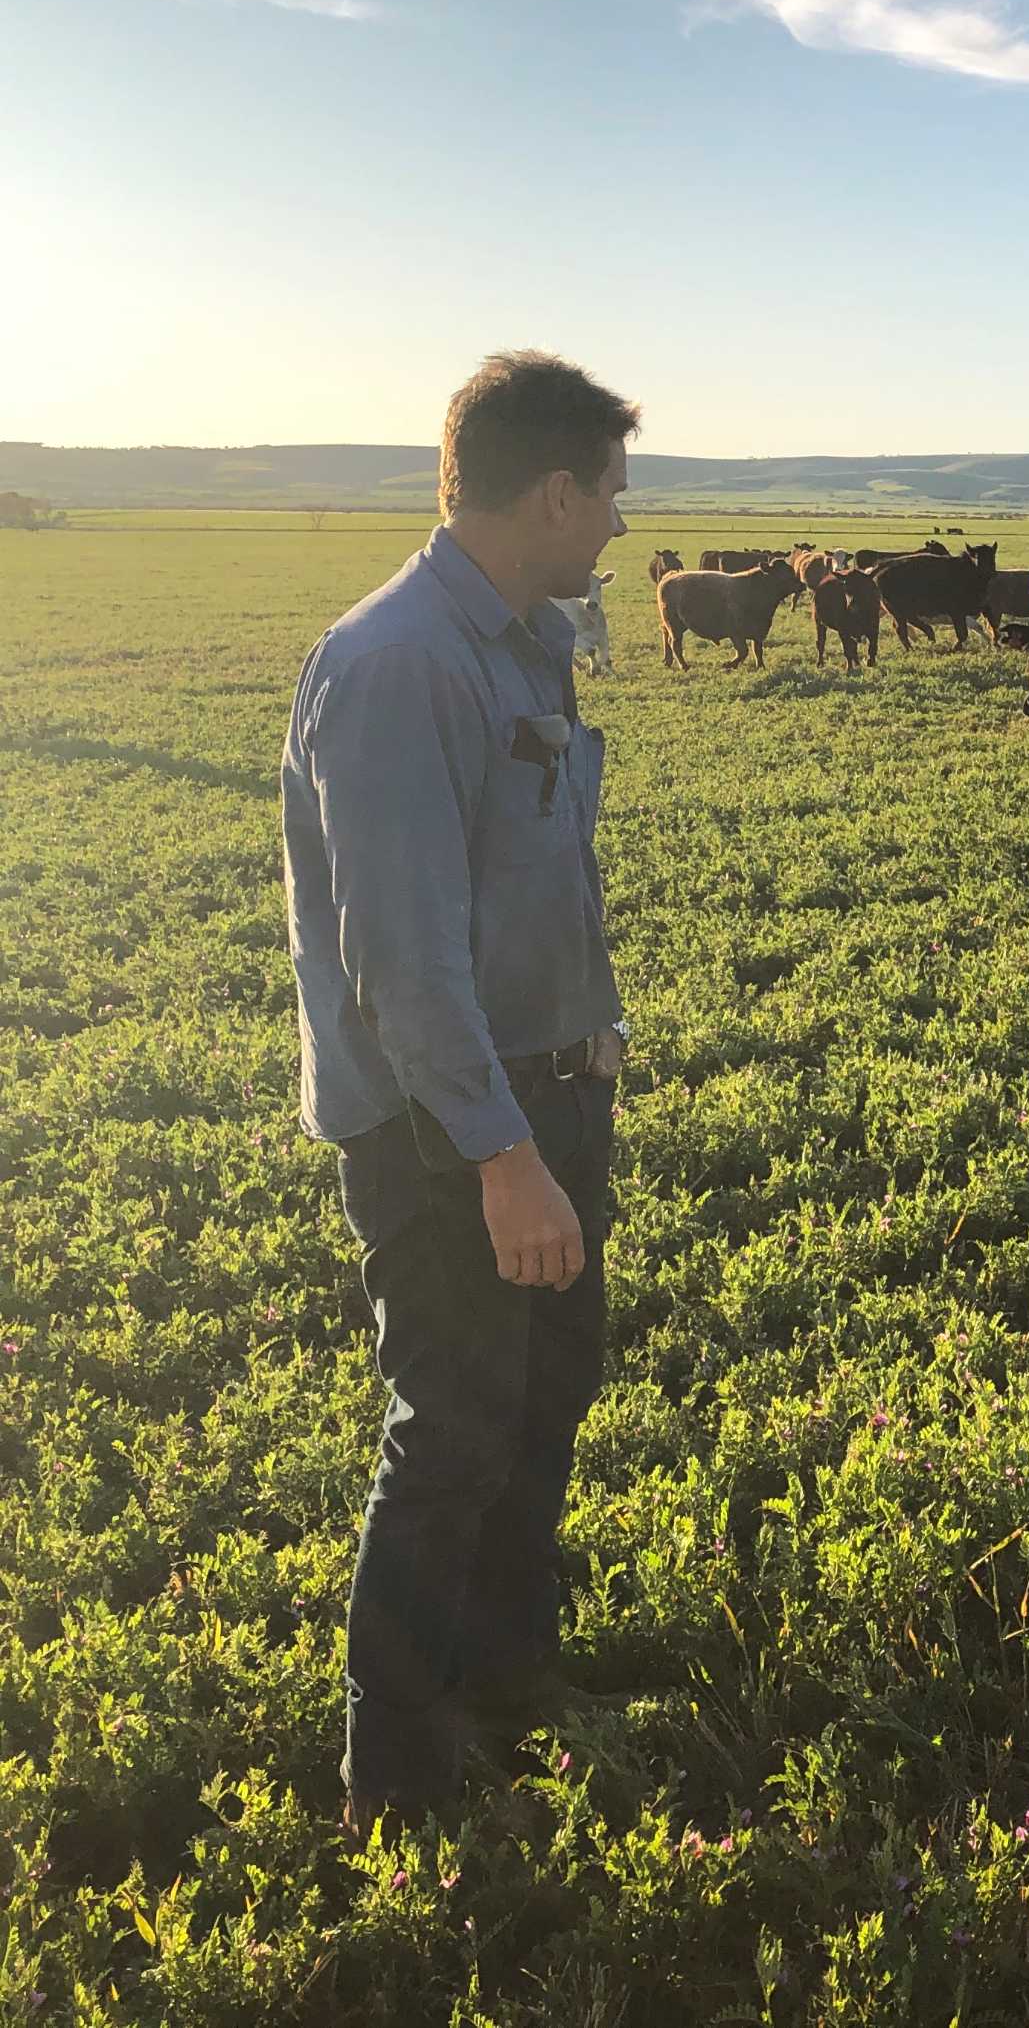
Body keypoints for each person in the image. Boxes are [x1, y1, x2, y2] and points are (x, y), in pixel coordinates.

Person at [281, 351, 638, 1830]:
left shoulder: (515, 640)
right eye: (611, 495)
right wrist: (503, 1154)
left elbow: (541, 859)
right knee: (453, 1428)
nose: (622, 524)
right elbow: (404, 967)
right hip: (448, 1127)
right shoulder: (398, 663)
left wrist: (592, 1030)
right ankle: (401, 1768)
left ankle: (509, 1679)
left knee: (548, 1390)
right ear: (552, 490)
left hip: (540, 1096)